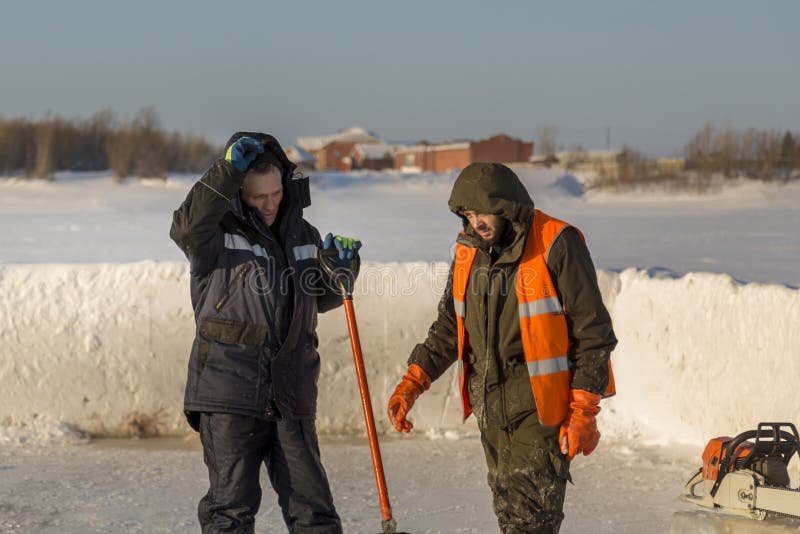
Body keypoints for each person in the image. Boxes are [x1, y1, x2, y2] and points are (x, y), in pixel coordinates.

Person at [387, 162, 616, 533]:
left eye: (483, 212)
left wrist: (584, 410)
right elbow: (450, 327)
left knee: (531, 522)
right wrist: (414, 380)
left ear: (508, 208)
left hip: (540, 409)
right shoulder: (467, 252)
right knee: (510, 516)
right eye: (467, 213)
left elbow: (594, 334)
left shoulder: (557, 243)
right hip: (490, 407)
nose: (475, 221)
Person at [170, 131, 360, 533]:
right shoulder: (214, 236)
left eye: (275, 193)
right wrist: (224, 172)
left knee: (315, 512)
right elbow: (185, 228)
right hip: (229, 389)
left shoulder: (303, 236)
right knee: (230, 511)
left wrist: (339, 275)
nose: (270, 204)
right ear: (239, 192)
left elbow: (315, 299)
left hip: (291, 389)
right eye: (259, 197)